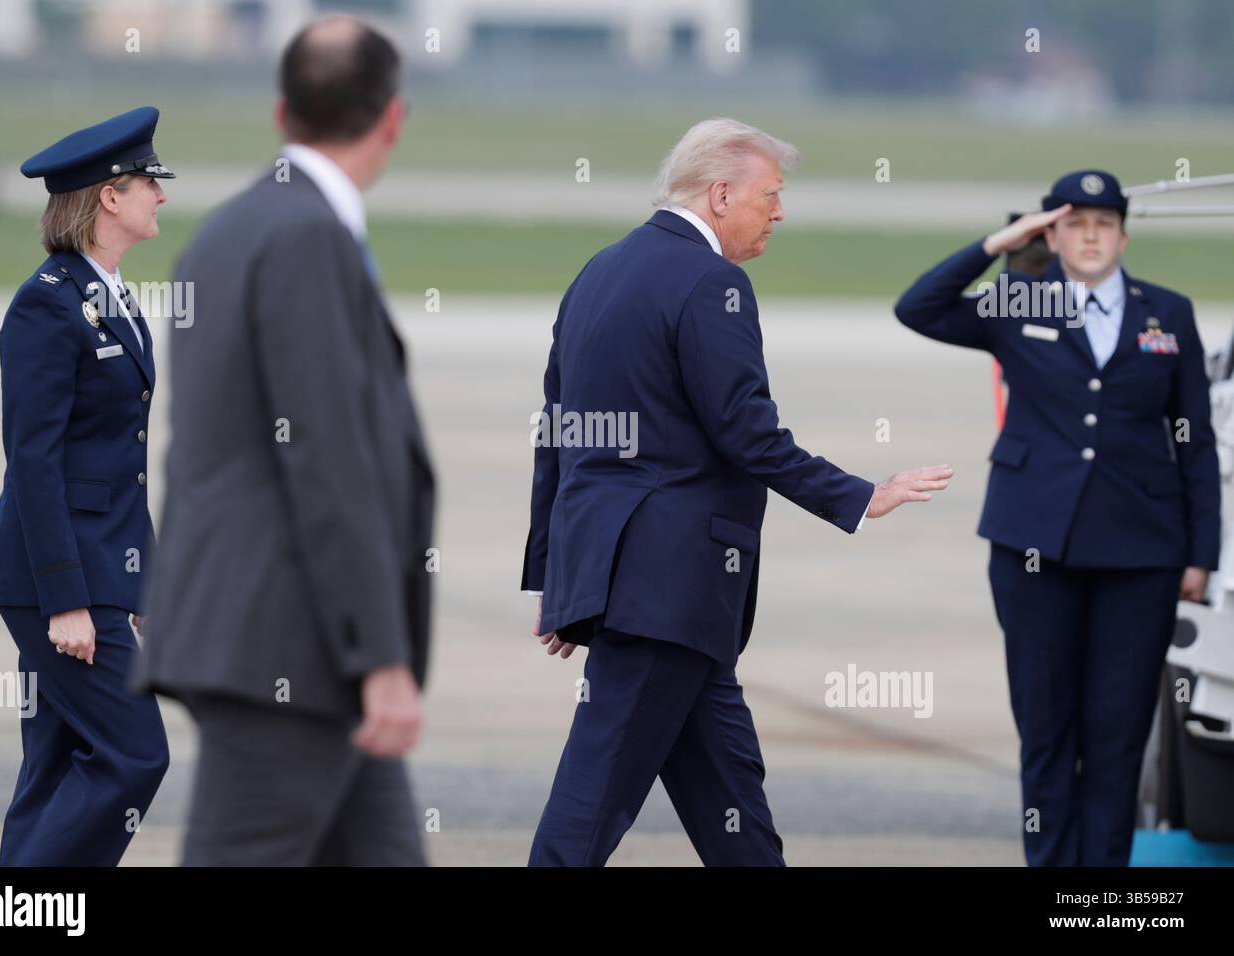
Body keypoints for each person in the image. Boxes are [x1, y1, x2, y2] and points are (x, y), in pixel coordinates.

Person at [522, 118, 953, 866]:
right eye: (771, 195)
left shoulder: (598, 269)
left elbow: (558, 433)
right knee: (587, 808)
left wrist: (562, 576)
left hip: (654, 597)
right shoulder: (713, 282)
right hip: (670, 590)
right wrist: (859, 495)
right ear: (722, 194)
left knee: (734, 811)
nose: (779, 212)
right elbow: (747, 433)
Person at [136, 16, 435, 866]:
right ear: (392, 118)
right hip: (290, 648)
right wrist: (380, 655)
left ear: (281, 112)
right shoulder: (308, 236)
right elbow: (327, 461)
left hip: (272, 641)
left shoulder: (229, 228)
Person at [895, 170, 1220, 866]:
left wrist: (1201, 555)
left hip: (1141, 556)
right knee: (1046, 732)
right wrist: (996, 244)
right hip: (1033, 548)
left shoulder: (1168, 313)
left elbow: (1195, 439)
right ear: (1053, 234)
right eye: (1076, 223)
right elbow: (917, 307)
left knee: (1117, 735)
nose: (1092, 235)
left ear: (1124, 236)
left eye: (1105, 223)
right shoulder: (1017, 300)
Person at [0, 106, 174, 865]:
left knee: (56, 766)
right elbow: (33, 462)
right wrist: (66, 599)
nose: (160, 195)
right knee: (135, 754)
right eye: (148, 183)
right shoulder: (47, 303)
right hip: (55, 581)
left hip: (102, 571)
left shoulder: (112, 296)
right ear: (108, 197)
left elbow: (120, 468)